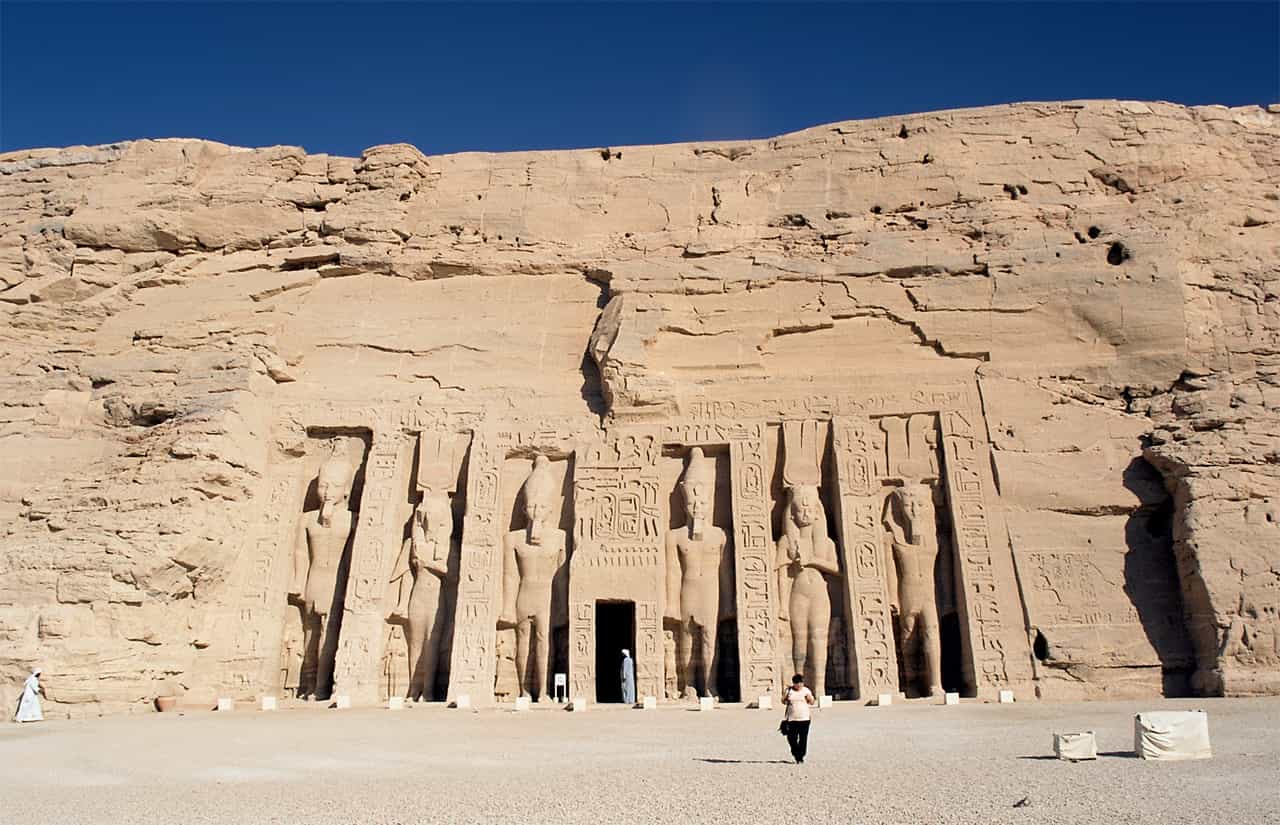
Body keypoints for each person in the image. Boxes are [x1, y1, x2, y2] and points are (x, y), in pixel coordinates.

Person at [781, 673, 815, 763]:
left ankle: (800, 756)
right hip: (792, 719)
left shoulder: (806, 690)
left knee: (803, 738)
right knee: (791, 738)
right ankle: (796, 753)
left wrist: (810, 699)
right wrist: (786, 699)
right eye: (797, 683)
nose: (799, 685)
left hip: (804, 718)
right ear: (794, 683)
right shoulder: (788, 690)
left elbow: (812, 702)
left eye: (801, 683)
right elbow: (783, 701)